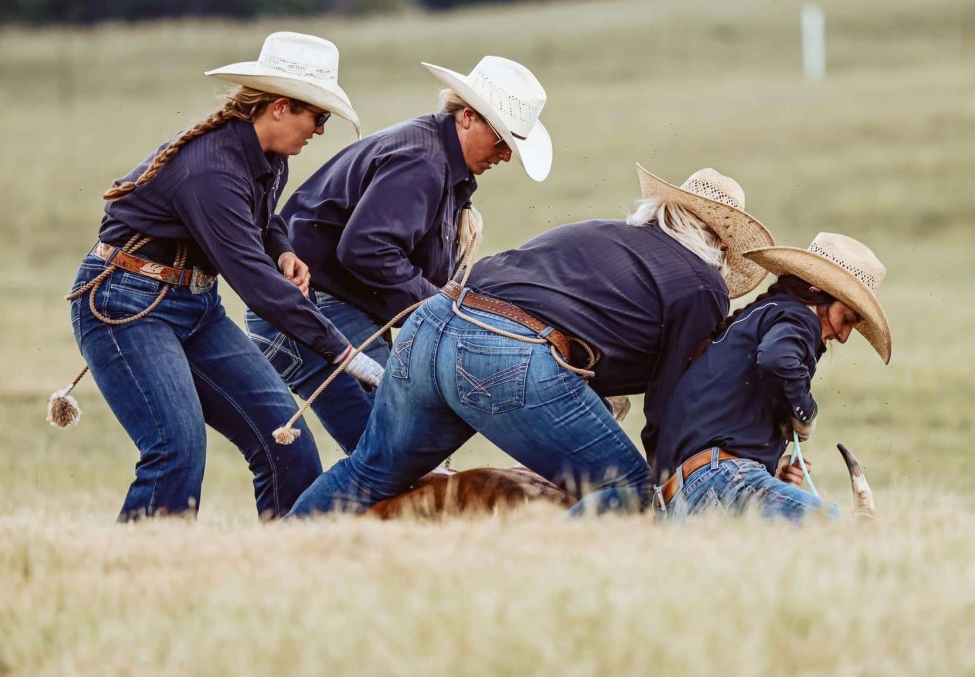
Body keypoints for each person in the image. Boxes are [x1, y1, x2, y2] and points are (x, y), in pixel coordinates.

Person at [285, 164, 775, 517]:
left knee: (370, 470)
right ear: (721, 248)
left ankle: (278, 556)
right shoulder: (700, 285)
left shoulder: (599, 232)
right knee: (625, 487)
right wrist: (671, 480)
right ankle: (543, 584)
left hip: (432, 319)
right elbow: (668, 409)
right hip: (505, 352)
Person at [64, 31, 383, 521]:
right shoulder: (210, 170)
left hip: (196, 308)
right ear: (279, 107)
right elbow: (253, 283)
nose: (319, 130)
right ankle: (135, 578)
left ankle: (289, 568)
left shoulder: (269, 158)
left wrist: (280, 250)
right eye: (317, 116)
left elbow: (262, 219)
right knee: (175, 448)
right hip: (126, 305)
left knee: (287, 438)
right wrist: (347, 356)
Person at [245, 56, 552, 454]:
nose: (505, 156)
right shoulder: (423, 160)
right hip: (312, 308)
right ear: (468, 118)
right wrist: (440, 311)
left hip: (319, 306)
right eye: (501, 142)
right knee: (388, 451)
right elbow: (367, 248)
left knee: (393, 448)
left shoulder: (431, 153)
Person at [650, 232, 892, 523]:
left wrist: (768, 468)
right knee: (840, 529)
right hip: (720, 478)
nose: (843, 336)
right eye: (847, 319)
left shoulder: (759, 318)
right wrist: (805, 413)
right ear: (817, 290)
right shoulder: (800, 318)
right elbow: (778, 360)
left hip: (679, 498)